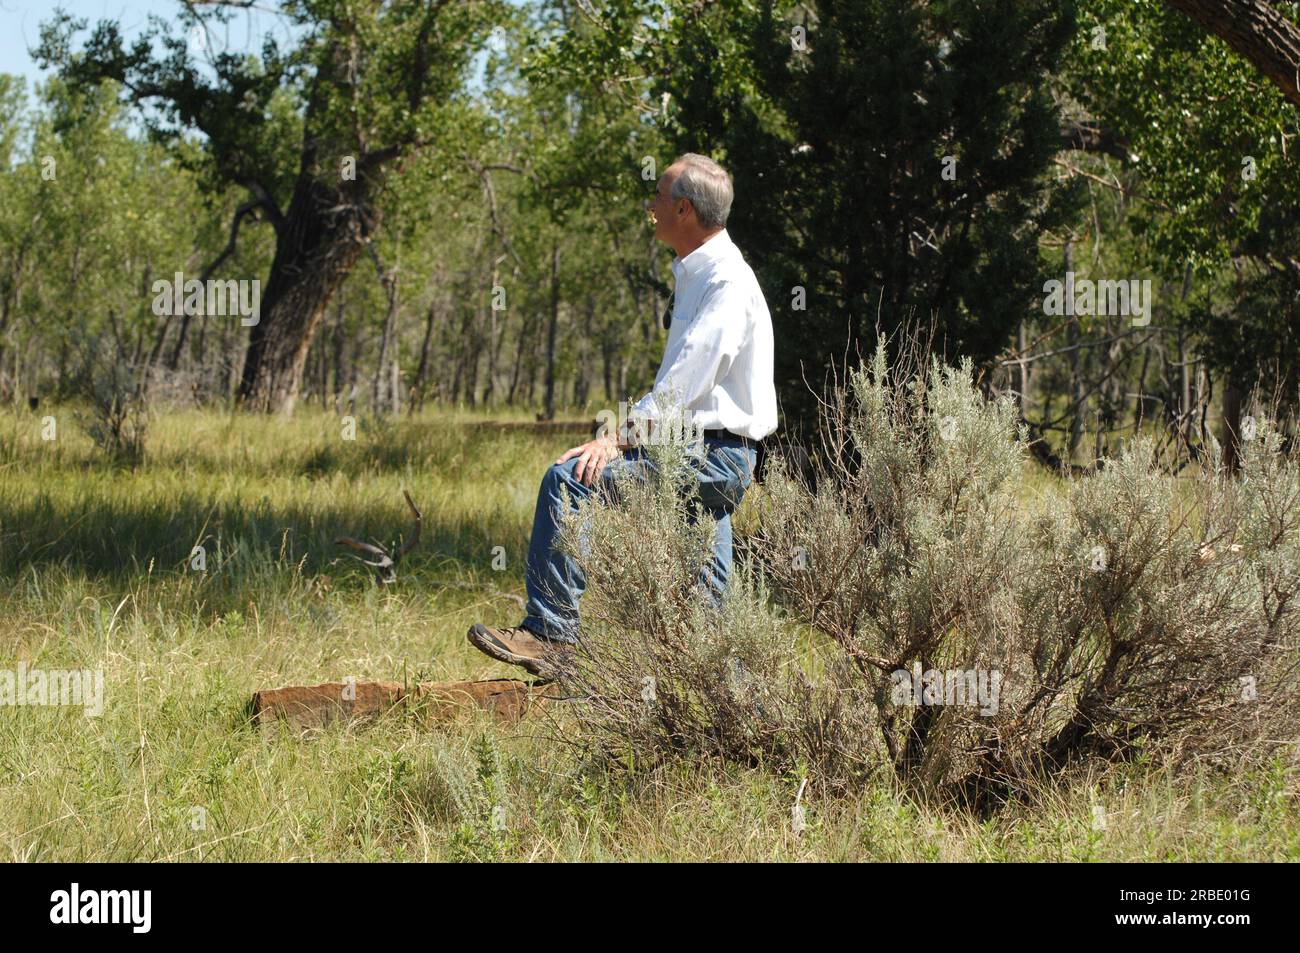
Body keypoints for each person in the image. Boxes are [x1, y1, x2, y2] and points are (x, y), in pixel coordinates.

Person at [467, 153, 778, 676]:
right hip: (717, 455)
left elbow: (686, 382)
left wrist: (618, 440)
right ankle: (738, 697)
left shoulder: (725, 282)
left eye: (658, 196)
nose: (649, 205)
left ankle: (550, 636)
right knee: (711, 599)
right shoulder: (703, 272)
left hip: (711, 454)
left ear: (683, 210)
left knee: (570, 481)